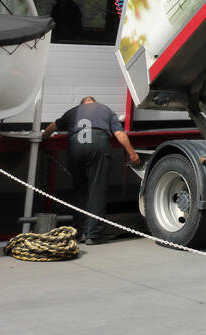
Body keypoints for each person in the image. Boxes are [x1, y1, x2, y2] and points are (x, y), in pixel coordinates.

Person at [42, 97, 140, 244]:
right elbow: (119, 133)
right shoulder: (105, 110)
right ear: (94, 102)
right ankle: (93, 235)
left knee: (80, 190)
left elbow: (53, 126)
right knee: (97, 189)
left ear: (82, 105)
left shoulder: (73, 111)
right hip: (97, 143)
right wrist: (131, 152)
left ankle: (80, 231)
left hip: (76, 145)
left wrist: (43, 138)